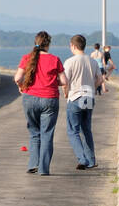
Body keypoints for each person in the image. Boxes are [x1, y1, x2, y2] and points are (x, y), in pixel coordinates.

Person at [13, 31, 67, 175]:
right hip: (49, 98)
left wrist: (22, 86)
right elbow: (64, 81)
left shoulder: (27, 58)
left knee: (34, 132)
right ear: (48, 44)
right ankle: (43, 169)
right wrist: (52, 82)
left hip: (29, 98)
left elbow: (18, 78)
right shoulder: (55, 59)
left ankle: (33, 164)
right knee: (47, 134)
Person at [63, 34, 102, 170]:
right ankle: (91, 160)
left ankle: (82, 159)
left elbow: (65, 81)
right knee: (86, 130)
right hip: (89, 96)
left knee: (73, 130)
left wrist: (65, 92)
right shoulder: (92, 61)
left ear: (73, 46)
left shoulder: (70, 61)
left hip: (75, 97)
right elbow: (100, 79)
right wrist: (93, 87)